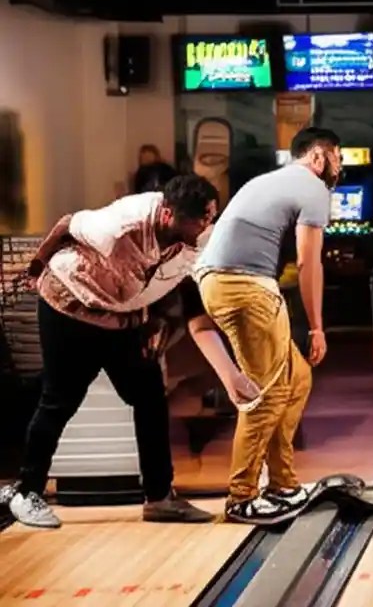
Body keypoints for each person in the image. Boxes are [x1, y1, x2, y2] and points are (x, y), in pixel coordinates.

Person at [2, 175, 221, 528]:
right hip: (69, 304)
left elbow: (174, 280)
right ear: (168, 215)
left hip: (119, 316)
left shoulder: (195, 236)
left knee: (149, 395)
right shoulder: (121, 222)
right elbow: (66, 224)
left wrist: (158, 322)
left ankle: (159, 498)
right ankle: (28, 492)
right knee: (60, 399)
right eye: (200, 218)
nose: (207, 225)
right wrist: (37, 264)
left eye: (210, 216)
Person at [194, 127, 339, 524]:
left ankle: (282, 485)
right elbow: (310, 264)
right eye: (337, 156)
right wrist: (316, 327)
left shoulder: (270, 180)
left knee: (298, 379)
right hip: (246, 286)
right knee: (269, 395)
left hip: (219, 281)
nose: (339, 165)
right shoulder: (313, 187)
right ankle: (242, 497)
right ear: (317, 157)